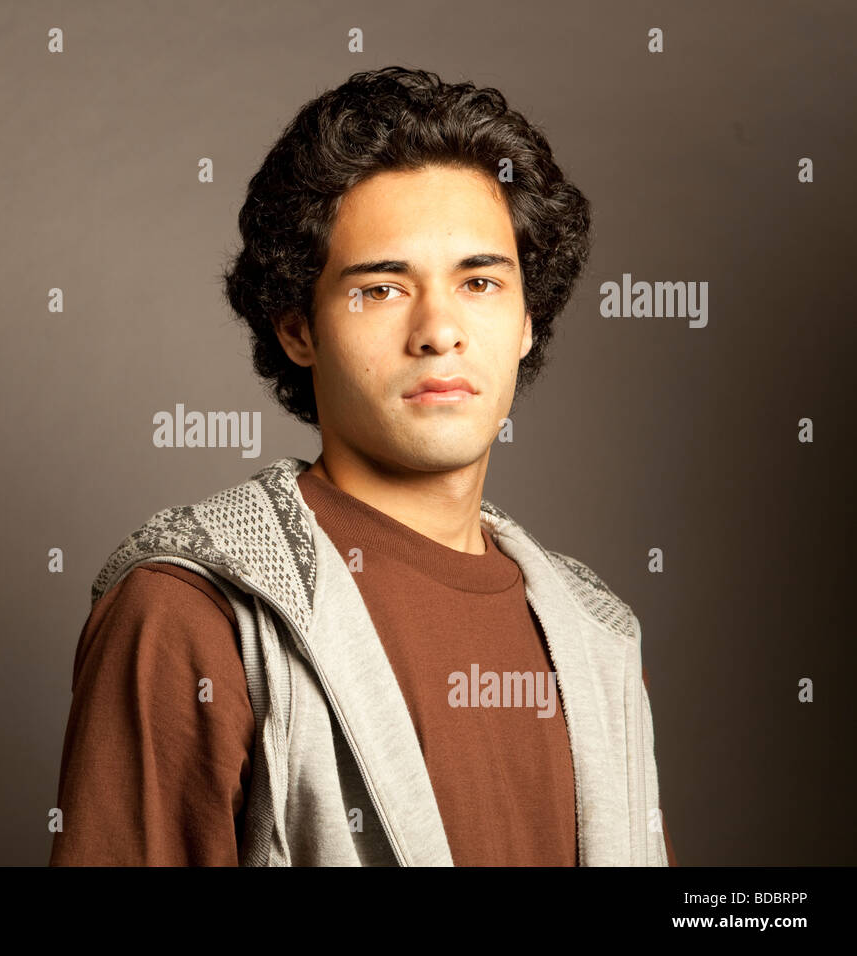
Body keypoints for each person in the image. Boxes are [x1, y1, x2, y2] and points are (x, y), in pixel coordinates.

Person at [49, 65, 675, 866]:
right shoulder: (191, 615)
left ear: (527, 320)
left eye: (481, 282)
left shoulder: (599, 639)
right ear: (297, 330)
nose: (439, 330)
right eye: (381, 288)